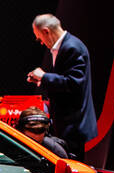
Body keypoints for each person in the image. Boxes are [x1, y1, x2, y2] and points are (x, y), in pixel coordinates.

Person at [25, 14, 97, 159]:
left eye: (39, 38)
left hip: (73, 124)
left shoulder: (72, 47)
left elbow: (74, 83)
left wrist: (44, 76)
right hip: (66, 123)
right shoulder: (64, 46)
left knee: (73, 166)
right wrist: (41, 80)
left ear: (46, 31)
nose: (40, 43)